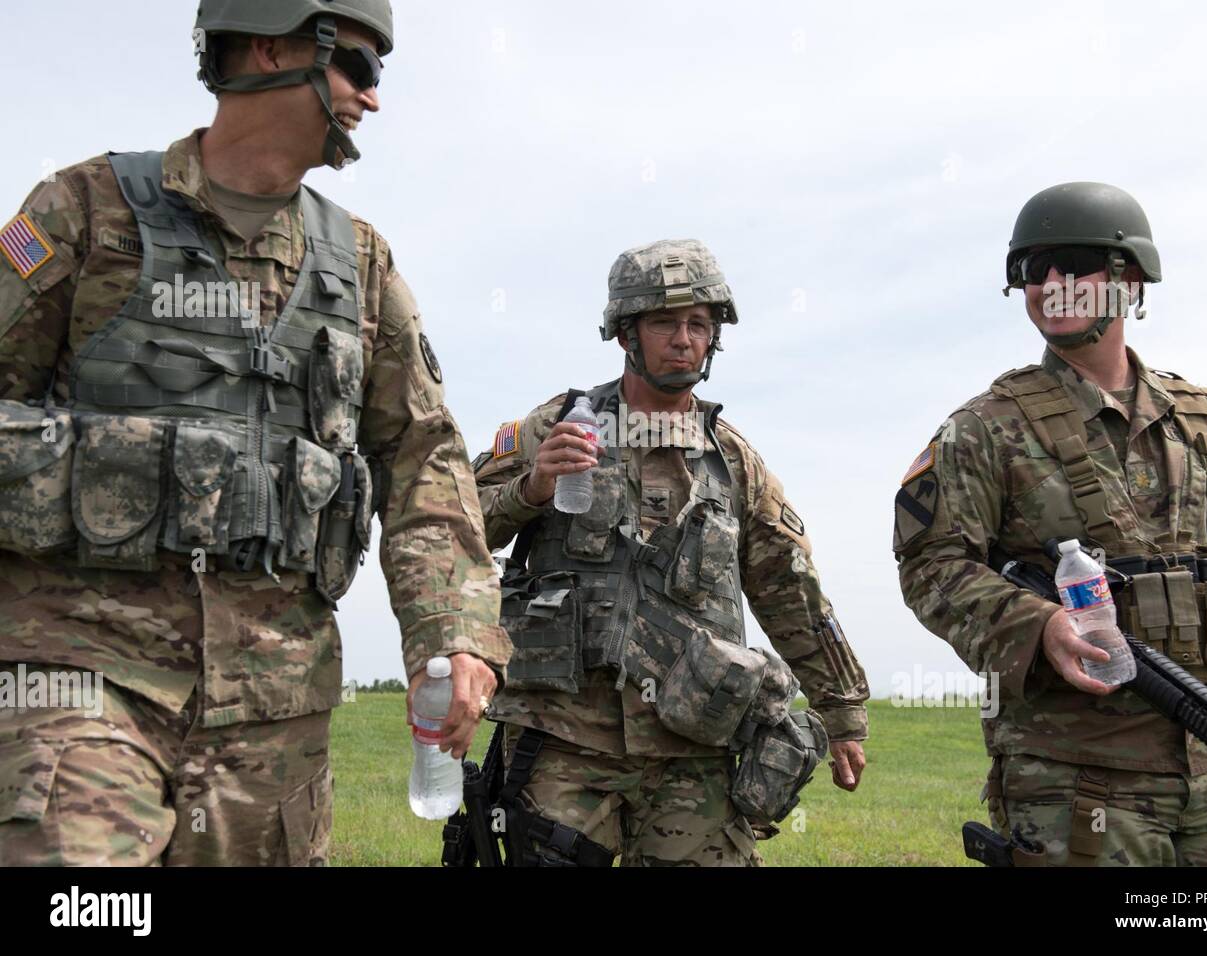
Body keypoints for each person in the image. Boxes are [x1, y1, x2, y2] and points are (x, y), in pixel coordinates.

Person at [0, 0, 508, 865]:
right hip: (82, 679)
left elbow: (425, 460)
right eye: (359, 67)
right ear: (272, 46)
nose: (372, 99)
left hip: (277, 711)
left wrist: (453, 628)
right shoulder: (81, 210)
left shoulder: (362, 265)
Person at [894, 181, 1207, 865]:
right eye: (1033, 268)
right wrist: (1037, 624)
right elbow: (932, 563)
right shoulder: (985, 430)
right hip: (1076, 772)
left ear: (1129, 276)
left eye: (1075, 263)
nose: (1053, 282)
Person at [473, 239, 869, 866]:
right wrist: (532, 488)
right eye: (664, 322)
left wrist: (841, 709)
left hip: (697, 748)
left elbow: (790, 589)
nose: (683, 339)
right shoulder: (561, 424)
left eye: (698, 325)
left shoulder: (733, 460)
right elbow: (458, 525)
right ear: (626, 333)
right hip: (567, 743)